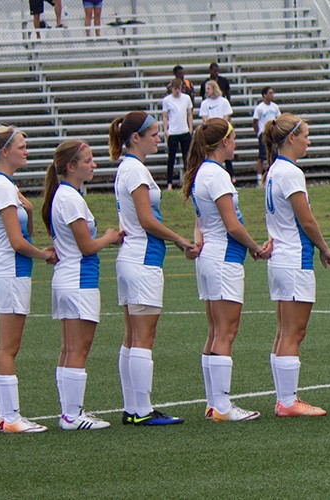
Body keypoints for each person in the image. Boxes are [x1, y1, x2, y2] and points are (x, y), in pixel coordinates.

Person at [183, 117, 272, 422]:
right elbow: (232, 225)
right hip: (223, 257)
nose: (235, 144)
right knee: (226, 331)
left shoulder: (202, 173)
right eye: (232, 139)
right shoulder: (217, 175)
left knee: (215, 331)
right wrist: (256, 247)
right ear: (224, 142)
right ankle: (221, 406)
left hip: (212, 257)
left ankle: (214, 403)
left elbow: (201, 222)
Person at [110, 110, 195, 426]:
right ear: (136, 138)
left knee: (132, 337)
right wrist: (179, 239)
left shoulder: (128, 168)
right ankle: (141, 410)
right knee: (143, 337)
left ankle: (133, 408)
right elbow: (146, 220)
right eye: (154, 134)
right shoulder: (135, 170)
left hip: (133, 258)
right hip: (142, 259)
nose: (160, 137)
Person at [262, 113, 330, 417]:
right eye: (305, 135)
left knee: (284, 331)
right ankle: (287, 401)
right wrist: (325, 249)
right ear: (292, 138)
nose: (309, 141)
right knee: (294, 332)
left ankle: (283, 399)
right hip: (294, 258)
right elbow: (305, 219)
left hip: (281, 258)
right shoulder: (291, 172)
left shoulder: (274, 170)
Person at [0, 124, 56, 433]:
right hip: (9, 271)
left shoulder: (6, 186)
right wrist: (44, 254)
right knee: (8, 347)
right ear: (5, 152)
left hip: (15, 271)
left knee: (9, 345)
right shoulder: (1, 187)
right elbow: (16, 242)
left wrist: (29, 210)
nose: (26, 151)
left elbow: (23, 233)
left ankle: (8, 416)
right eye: (21, 146)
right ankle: (10, 417)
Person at [41, 140, 123, 430]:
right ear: (70, 167)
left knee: (69, 348)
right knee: (78, 349)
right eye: (87, 161)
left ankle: (69, 412)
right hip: (78, 279)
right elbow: (86, 246)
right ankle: (72, 415)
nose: (93, 164)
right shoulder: (69, 198)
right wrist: (110, 237)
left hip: (69, 278)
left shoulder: (65, 195)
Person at [198, 80, 234, 179]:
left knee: (226, 151)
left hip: (222, 131)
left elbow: (227, 115)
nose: (207, 91)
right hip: (211, 132)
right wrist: (212, 128)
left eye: (208, 89)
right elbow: (204, 118)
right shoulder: (205, 103)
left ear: (214, 88)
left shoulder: (223, 101)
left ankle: (231, 175)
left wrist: (221, 127)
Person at [162, 78, 193, 190]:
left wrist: (190, 128)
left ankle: (189, 181)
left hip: (184, 131)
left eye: (179, 88)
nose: (177, 91)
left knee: (187, 158)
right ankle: (169, 183)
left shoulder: (186, 98)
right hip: (173, 132)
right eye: (175, 89)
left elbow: (189, 113)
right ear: (172, 88)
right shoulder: (167, 100)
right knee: (171, 158)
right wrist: (166, 130)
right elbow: (165, 116)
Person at [252, 86, 280, 185]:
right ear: (264, 95)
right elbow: (255, 121)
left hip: (273, 134)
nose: (272, 95)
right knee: (262, 156)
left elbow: (278, 118)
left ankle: (272, 177)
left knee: (274, 156)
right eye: (270, 93)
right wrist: (258, 132)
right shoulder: (260, 108)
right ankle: (259, 179)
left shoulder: (275, 107)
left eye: (272, 93)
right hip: (264, 133)